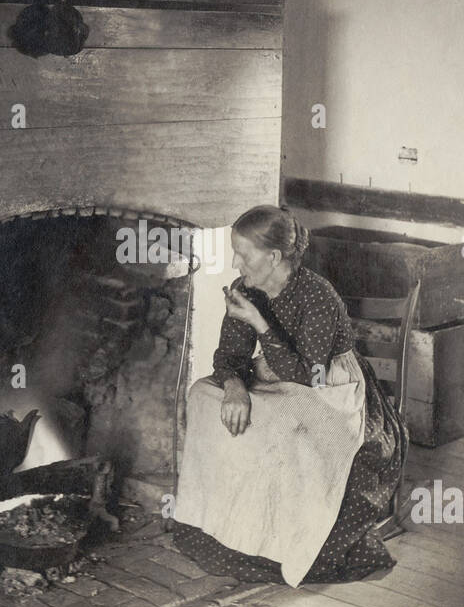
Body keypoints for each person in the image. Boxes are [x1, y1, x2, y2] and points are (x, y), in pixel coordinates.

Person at [172, 205, 408, 586]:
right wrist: (234, 388)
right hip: (275, 377)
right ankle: (228, 526)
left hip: (330, 388)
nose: (235, 262)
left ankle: (283, 539)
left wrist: (260, 324)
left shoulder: (318, 296)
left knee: (281, 422)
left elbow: (308, 376)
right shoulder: (245, 288)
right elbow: (230, 355)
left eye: (242, 254)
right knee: (203, 395)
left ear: (273, 257)